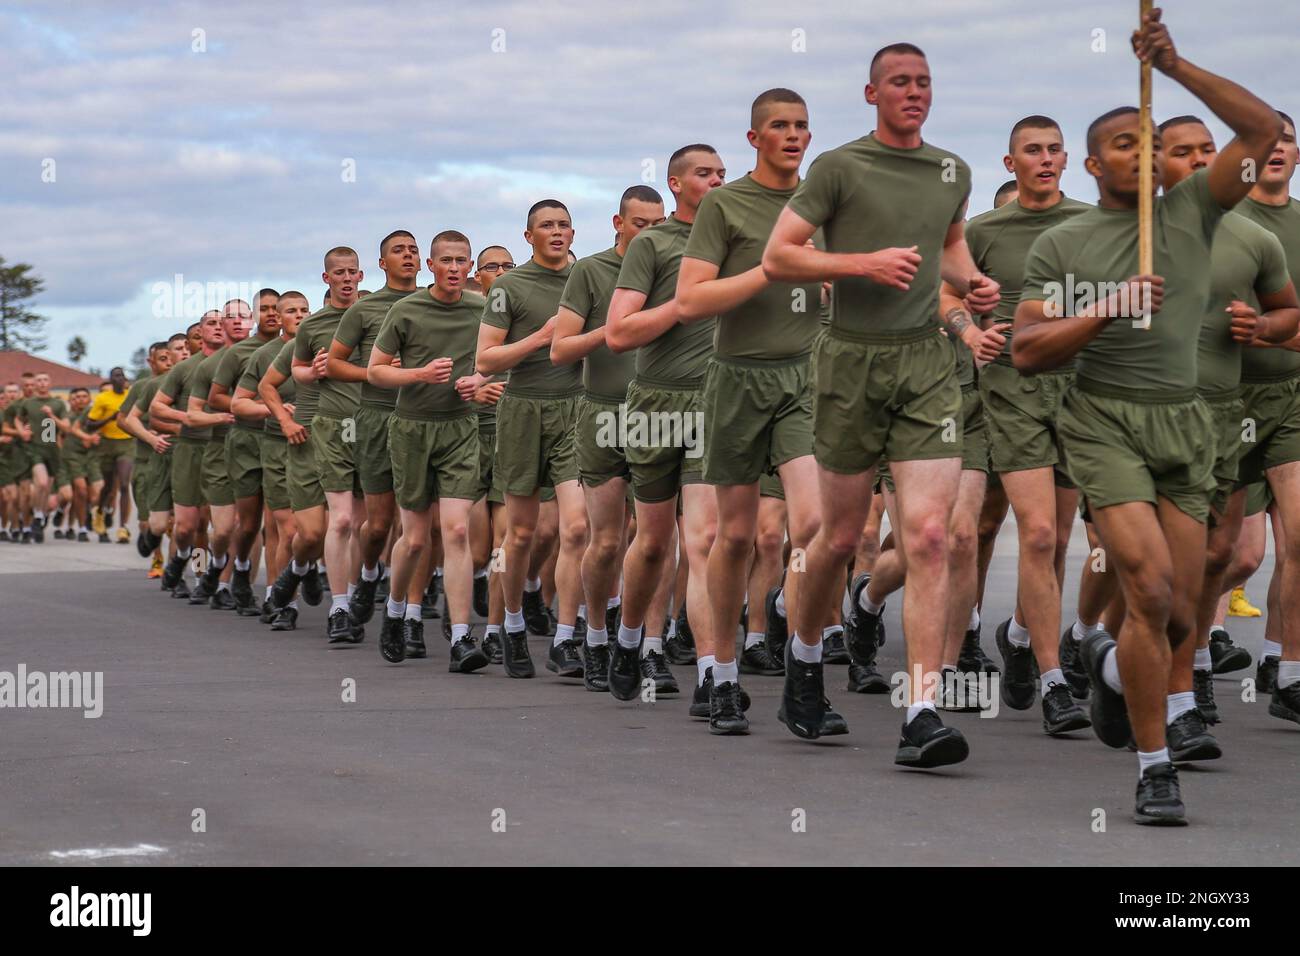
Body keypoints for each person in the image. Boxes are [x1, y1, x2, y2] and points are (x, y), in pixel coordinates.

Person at [1012, 8, 1280, 823]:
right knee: (1150, 584)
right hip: (1104, 422)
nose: (1141, 152)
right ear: (1093, 163)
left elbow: (1265, 127)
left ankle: (1113, 673)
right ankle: (1153, 765)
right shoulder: (1062, 243)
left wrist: (1173, 63)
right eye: (1123, 143)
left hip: (1188, 420)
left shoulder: (1196, 210)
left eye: (1150, 141)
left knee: (1184, 604)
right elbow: (1027, 350)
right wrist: (1107, 309)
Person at [762, 43, 998, 766]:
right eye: (900, 82)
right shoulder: (840, 167)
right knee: (835, 540)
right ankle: (804, 659)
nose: (914, 92)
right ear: (871, 93)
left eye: (924, 81)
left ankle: (921, 712)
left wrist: (974, 281)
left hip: (927, 364)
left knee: (928, 536)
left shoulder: (952, 169)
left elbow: (949, 247)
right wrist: (862, 263)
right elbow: (780, 256)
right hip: (848, 362)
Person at [552, 185, 668, 691]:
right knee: (604, 541)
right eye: (641, 223)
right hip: (604, 413)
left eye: (658, 223)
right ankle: (595, 635)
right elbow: (560, 349)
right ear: (618, 224)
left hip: (662, 413)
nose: (651, 232)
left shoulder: (676, 266)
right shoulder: (590, 271)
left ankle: (650, 646)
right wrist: (614, 329)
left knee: (660, 540)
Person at [476, 201, 589, 679]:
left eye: (564, 225)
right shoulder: (509, 287)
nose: (557, 232)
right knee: (519, 533)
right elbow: (486, 360)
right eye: (547, 226)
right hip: (522, 410)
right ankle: (511, 626)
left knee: (578, 527)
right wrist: (541, 337)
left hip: (577, 409)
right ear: (529, 237)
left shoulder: (589, 279)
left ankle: (565, 637)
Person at [370, 230, 492, 672]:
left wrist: (480, 382)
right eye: (447, 261)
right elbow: (376, 372)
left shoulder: (482, 311)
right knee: (417, 539)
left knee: (456, 532)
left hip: (460, 429)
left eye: (463, 261)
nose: (456, 268)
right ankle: (396, 608)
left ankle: (461, 638)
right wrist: (419, 375)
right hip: (411, 431)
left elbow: (502, 362)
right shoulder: (407, 310)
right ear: (431, 266)